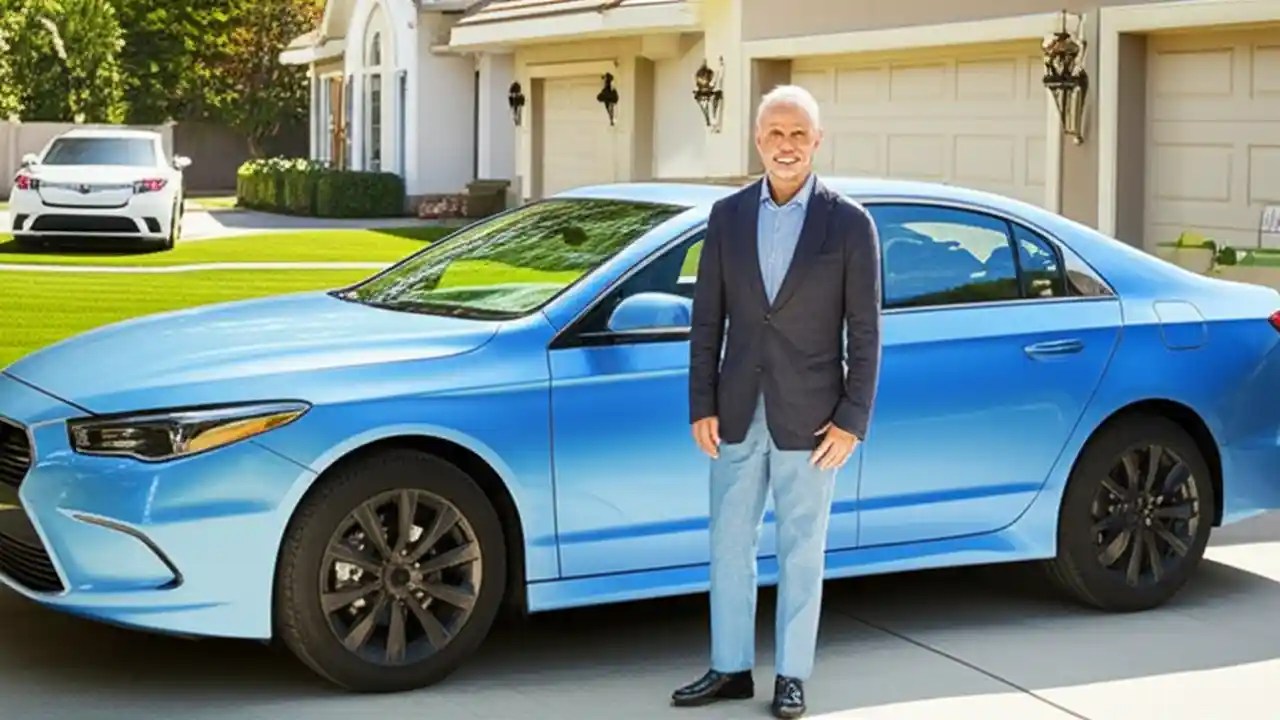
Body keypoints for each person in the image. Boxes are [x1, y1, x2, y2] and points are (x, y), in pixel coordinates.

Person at [671, 84, 882, 719]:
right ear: (757, 141)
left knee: (801, 548)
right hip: (735, 410)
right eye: (775, 134)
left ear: (817, 142)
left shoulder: (849, 223)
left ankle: (791, 674)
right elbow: (708, 319)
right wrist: (700, 402)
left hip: (814, 419)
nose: (786, 146)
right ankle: (731, 667)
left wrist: (852, 419)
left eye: (798, 135)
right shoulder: (727, 216)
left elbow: (866, 331)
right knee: (729, 542)